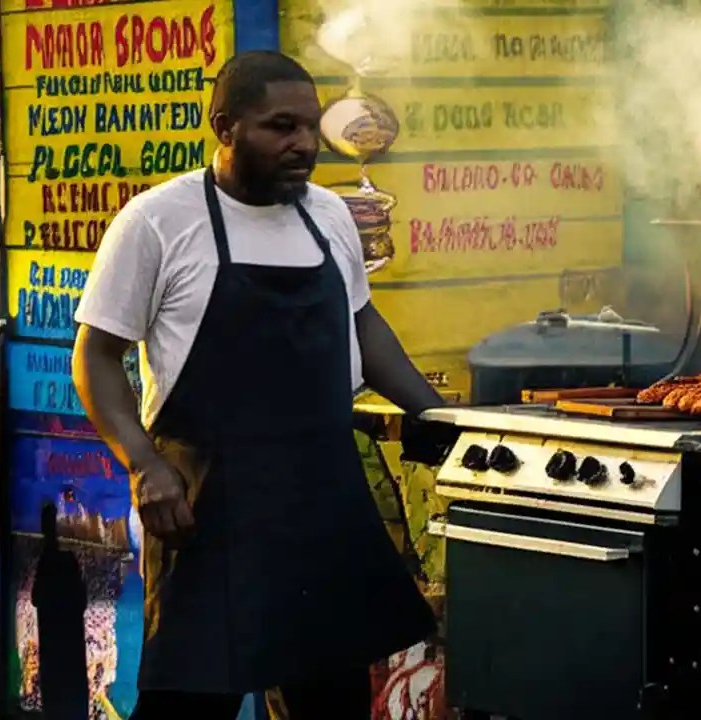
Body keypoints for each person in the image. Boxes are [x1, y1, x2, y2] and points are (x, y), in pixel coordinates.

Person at [71, 51, 453, 719]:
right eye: (281, 127)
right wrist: (144, 463)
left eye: (309, 127)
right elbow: (97, 355)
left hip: (322, 511)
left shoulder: (330, 215)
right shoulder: (158, 222)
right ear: (226, 126)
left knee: (329, 703)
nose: (303, 144)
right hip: (207, 514)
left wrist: (442, 417)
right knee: (189, 705)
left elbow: (365, 326)